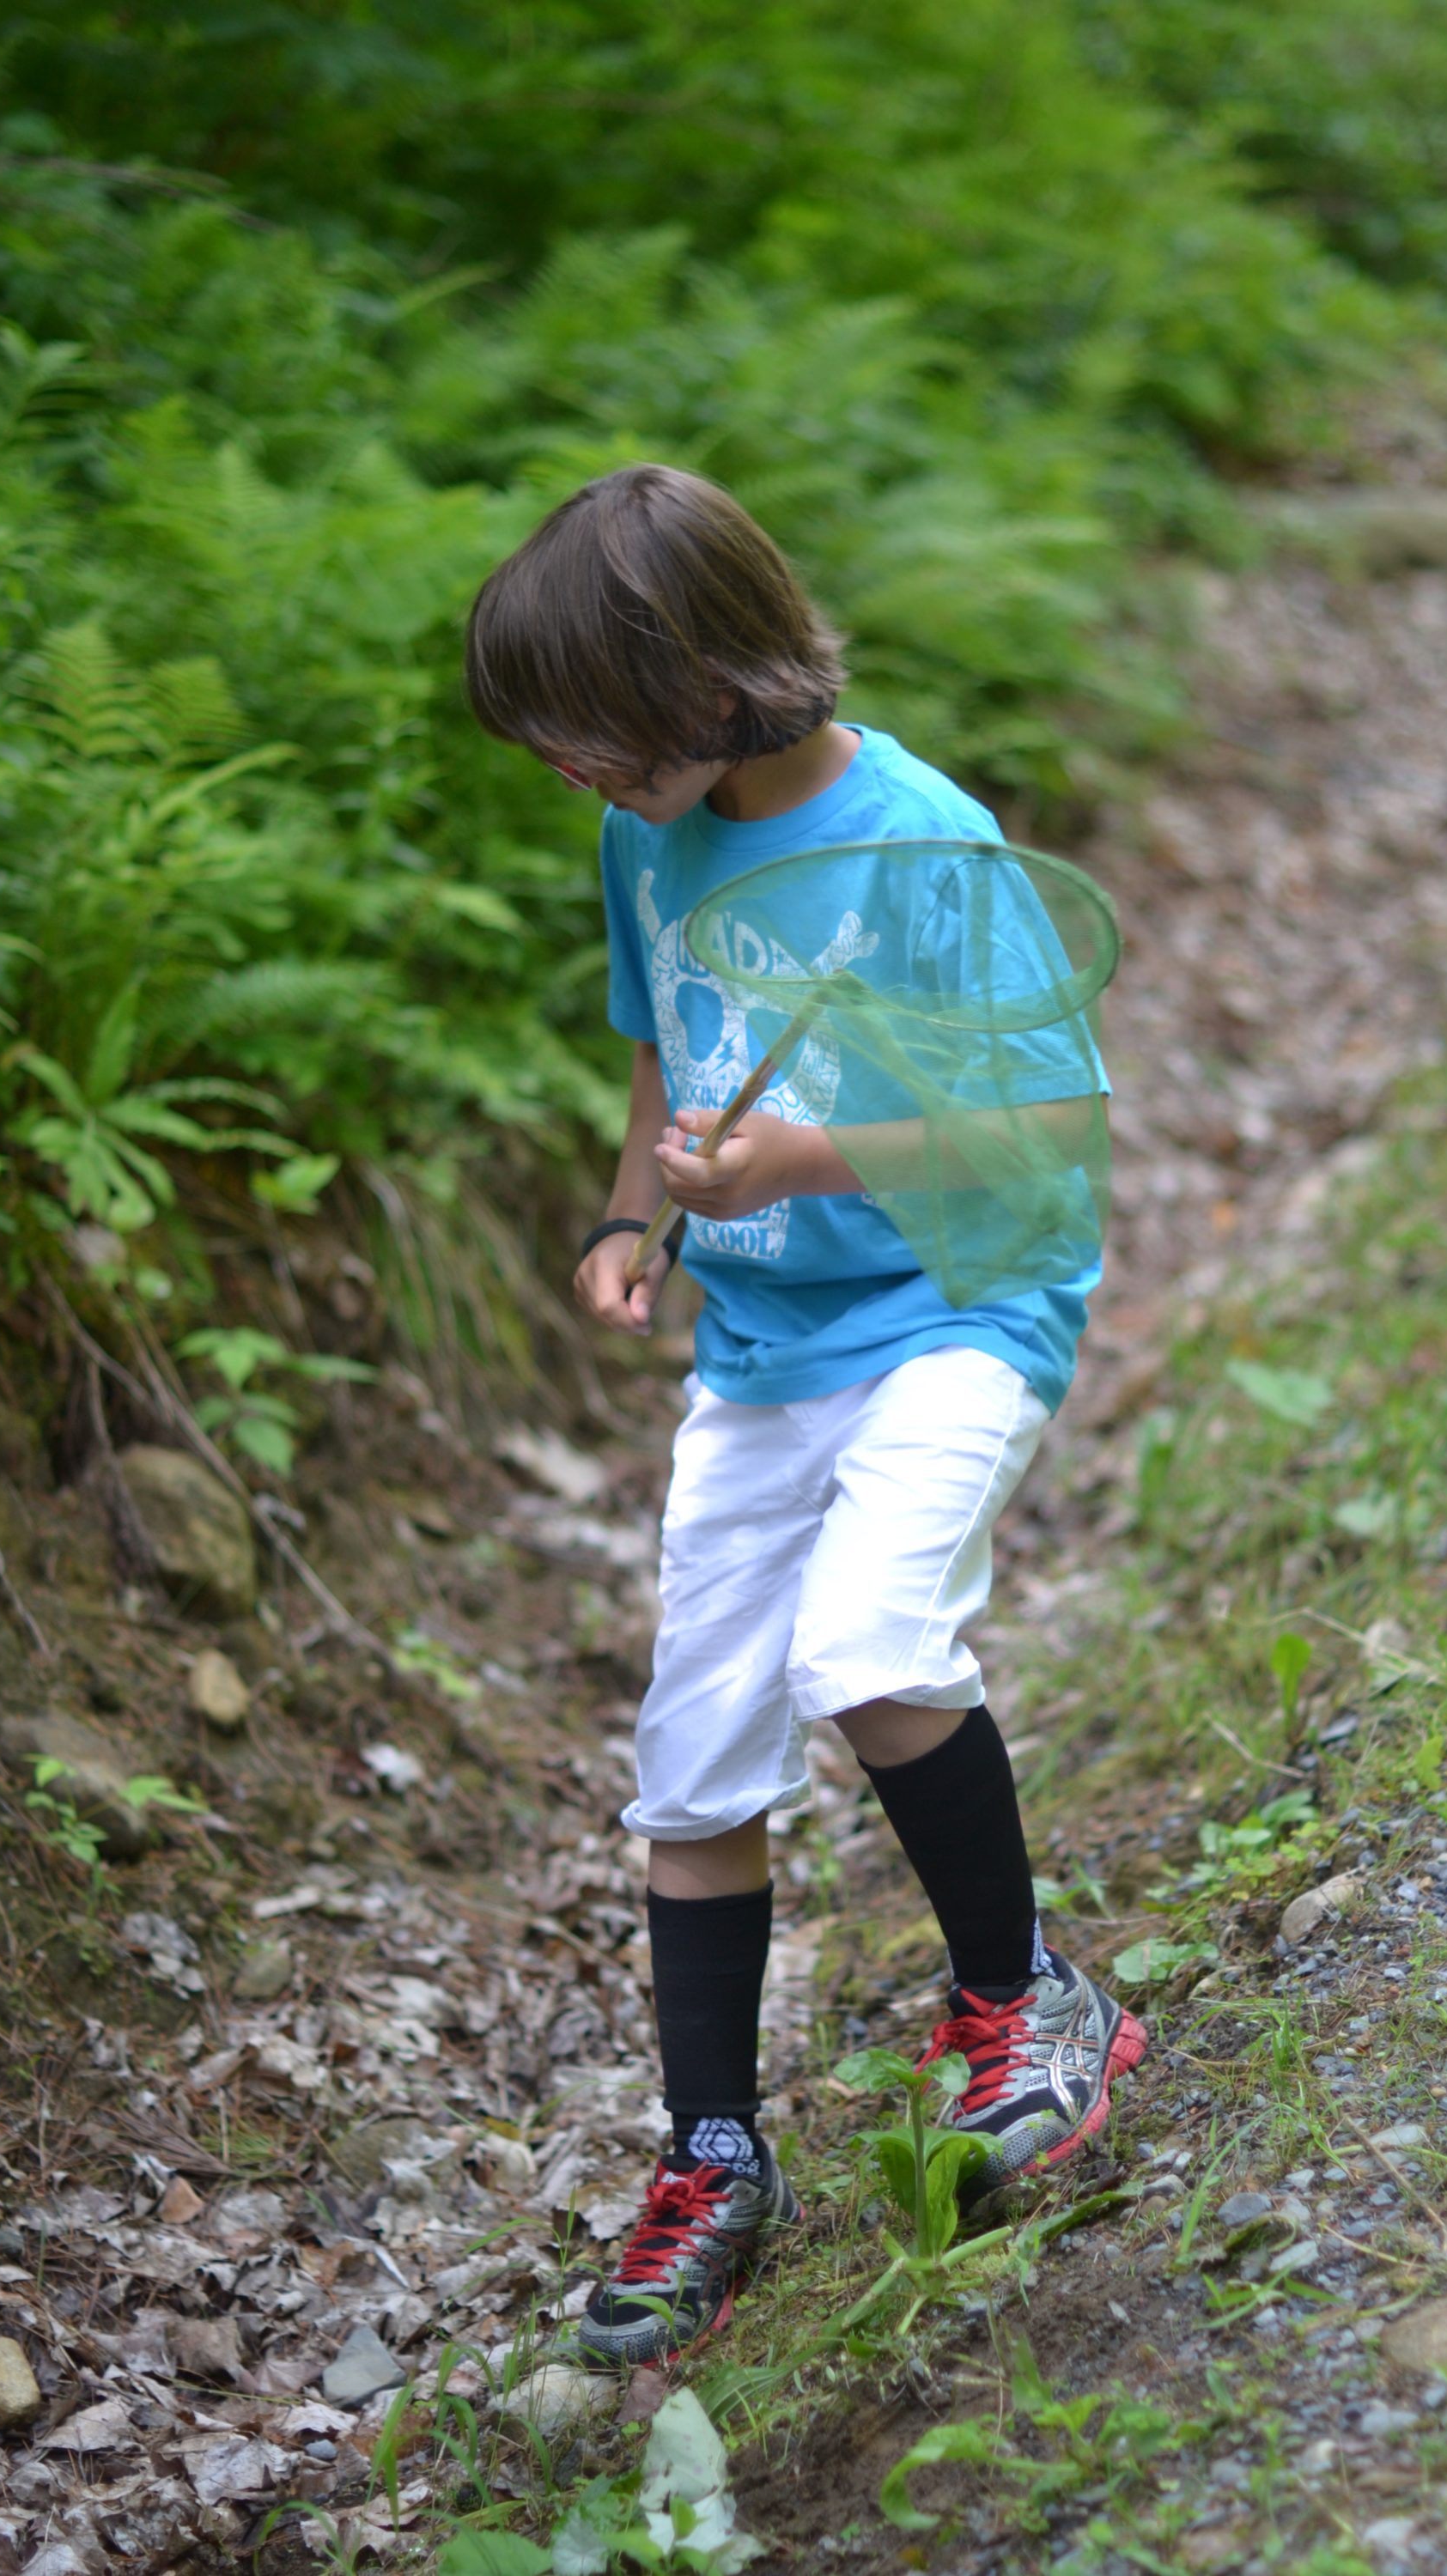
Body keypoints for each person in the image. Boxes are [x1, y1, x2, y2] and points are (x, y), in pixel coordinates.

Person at [464, 463, 1144, 2368]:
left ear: (709, 684)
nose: (572, 776)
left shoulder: (922, 840)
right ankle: (711, 2154)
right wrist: (634, 1220)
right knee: (692, 1765)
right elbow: (659, 1056)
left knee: (867, 1645)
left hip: (955, 1308)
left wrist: (801, 1160)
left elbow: (1054, 1133)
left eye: (592, 738)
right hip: (760, 1350)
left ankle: (1025, 1999)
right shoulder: (647, 835)